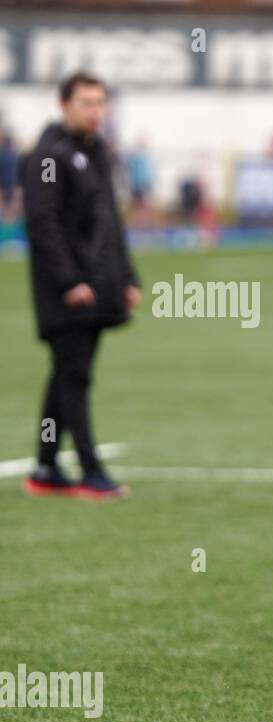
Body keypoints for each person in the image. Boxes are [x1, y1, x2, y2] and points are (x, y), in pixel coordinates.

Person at [22, 71, 139, 499]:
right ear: (64, 104)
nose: (95, 111)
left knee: (65, 374)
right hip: (66, 289)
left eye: (100, 102)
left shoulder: (96, 152)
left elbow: (110, 220)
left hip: (99, 284)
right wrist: (69, 280)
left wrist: (127, 276)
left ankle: (46, 468)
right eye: (86, 102)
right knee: (75, 376)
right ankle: (90, 471)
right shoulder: (50, 156)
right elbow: (42, 222)